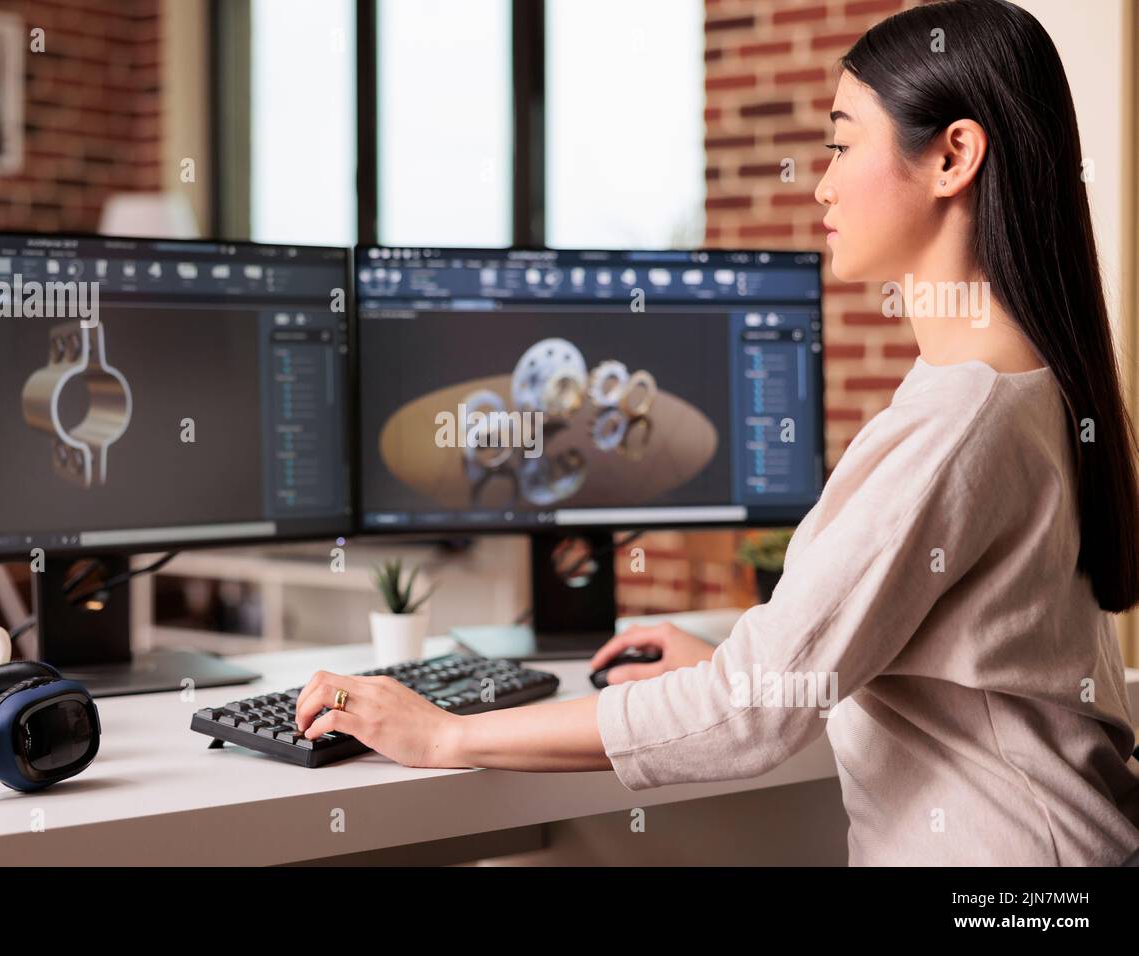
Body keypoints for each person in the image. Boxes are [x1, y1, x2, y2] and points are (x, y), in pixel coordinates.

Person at [294, 0, 1139, 864]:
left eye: (843, 143)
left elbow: (749, 716)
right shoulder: (1019, 385)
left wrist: (445, 736)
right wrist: (737, 654)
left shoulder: (960, 420)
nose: (821, 182)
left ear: (953, 156)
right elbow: (926, 652)